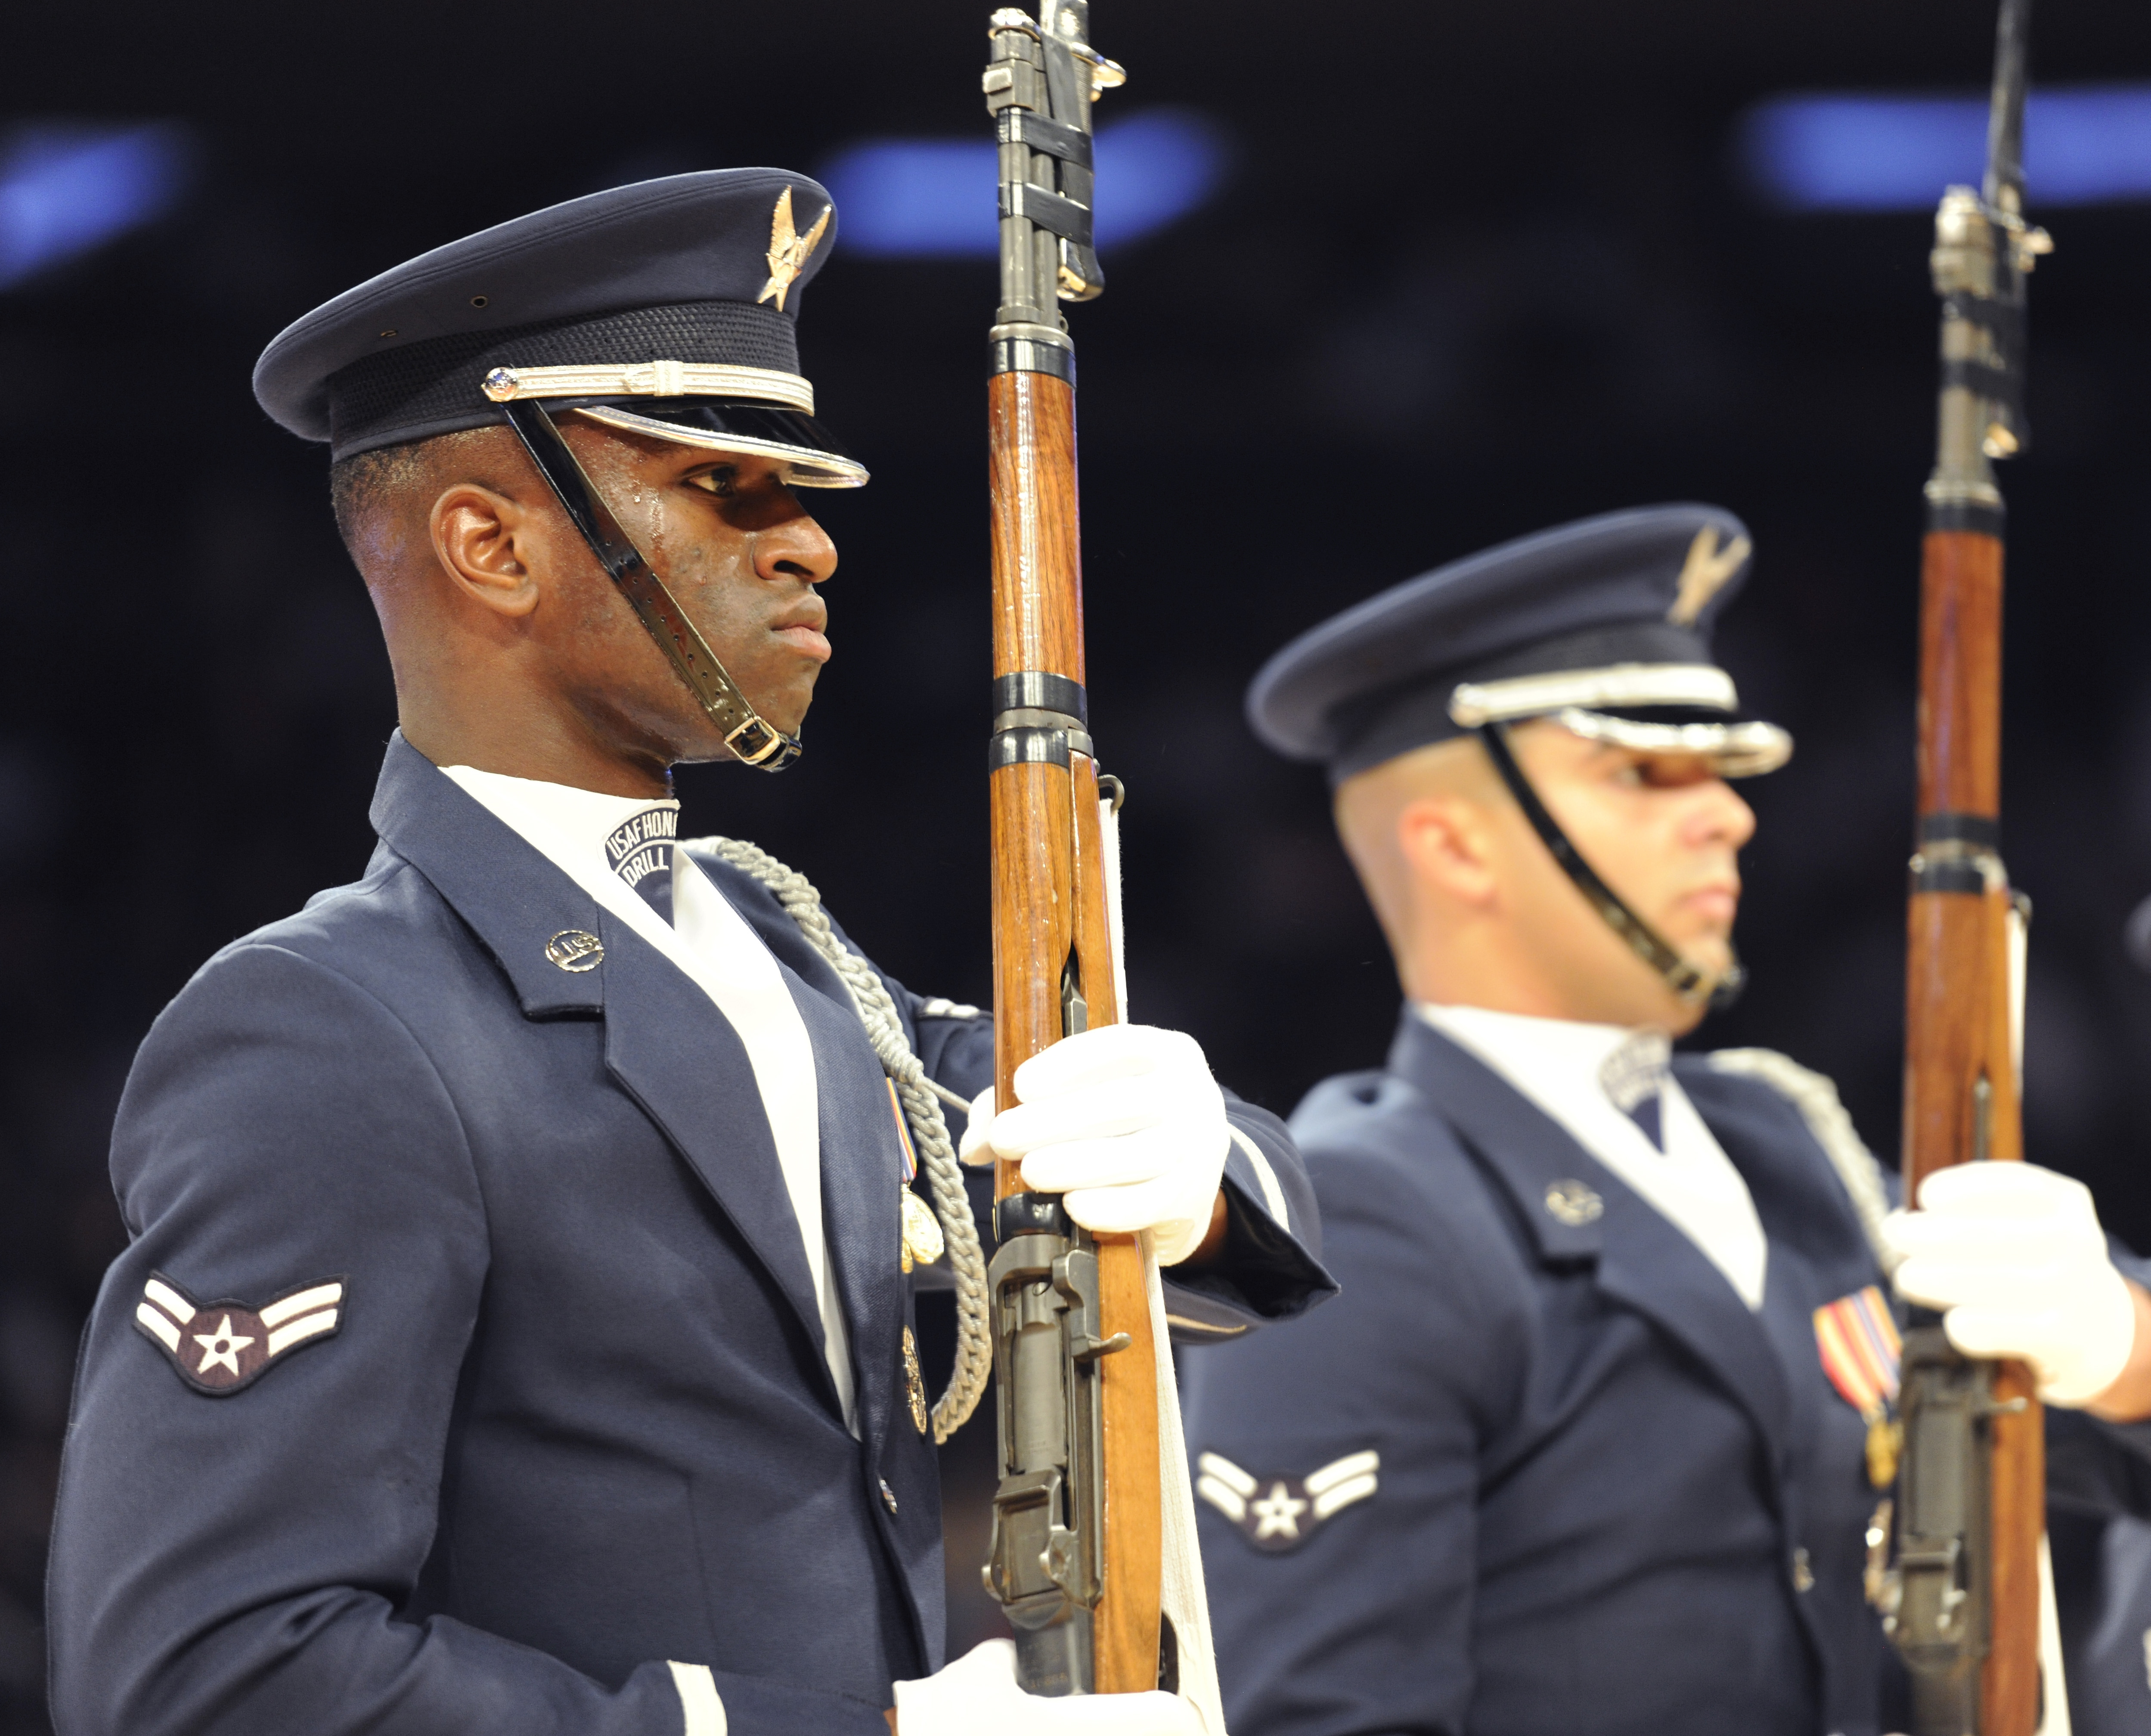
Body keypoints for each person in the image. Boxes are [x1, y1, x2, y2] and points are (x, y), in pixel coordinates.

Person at [44, 169, 1329, 1736]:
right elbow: (212, 1678)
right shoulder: (330, 1028)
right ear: (490, 547)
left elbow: (1160, 1151)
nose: (812, 548)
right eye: (729, 490)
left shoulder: (785, 957)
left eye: (801, 495)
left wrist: (1199, 1164)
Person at [1178, 504, 2151, 1736]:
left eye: (1722, 771)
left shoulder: (1781, 1142)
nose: (1727, 814)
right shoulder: (1369, 1209)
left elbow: (2091, 1461)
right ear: (1454, 845)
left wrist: (2113, 1343)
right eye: (1643, 771)